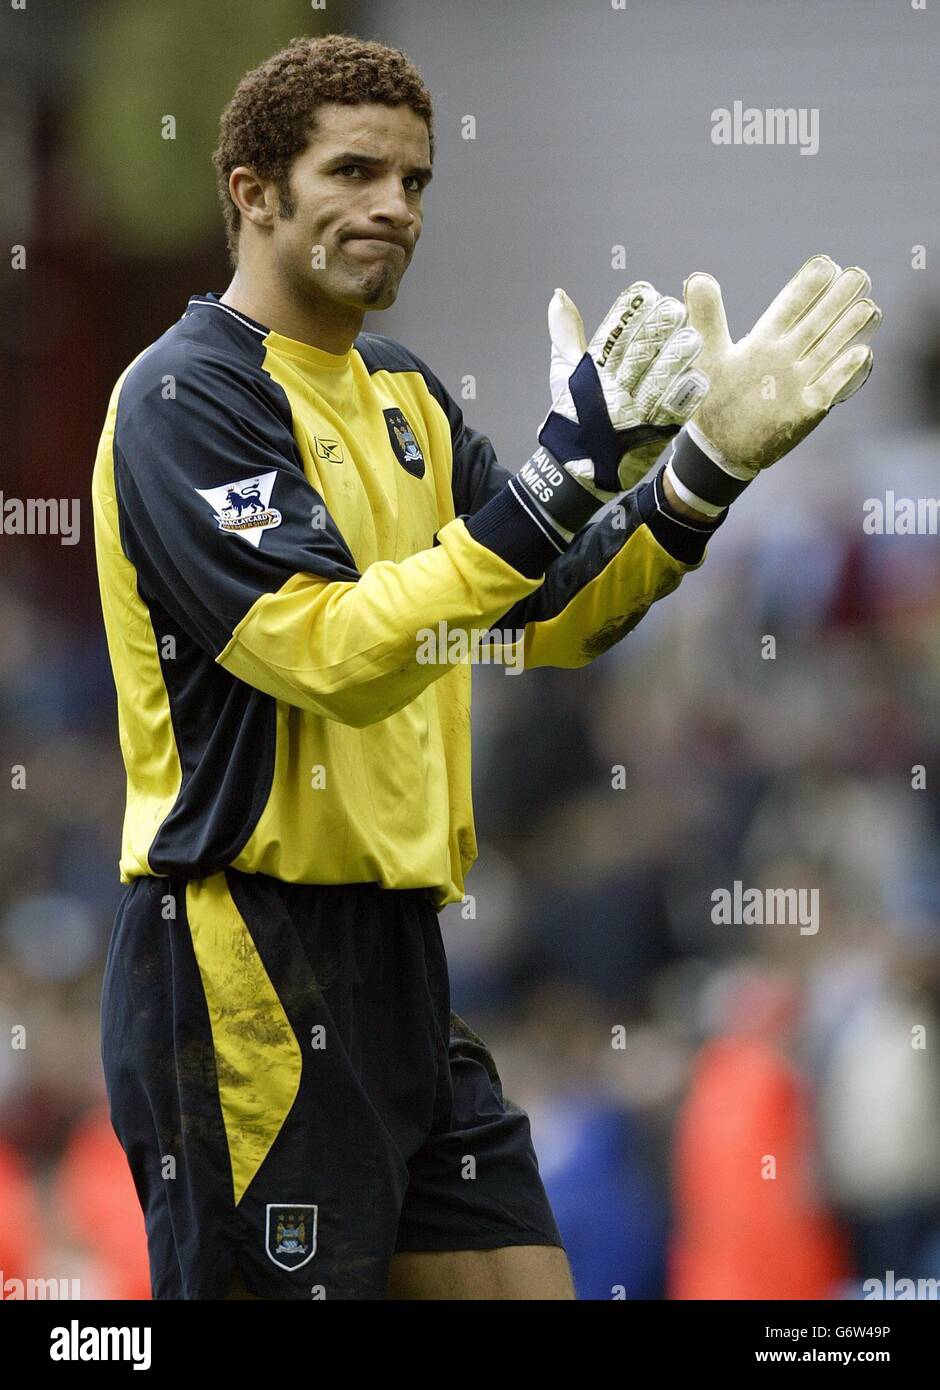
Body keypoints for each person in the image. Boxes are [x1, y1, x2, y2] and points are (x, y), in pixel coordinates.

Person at [91, 32, 880, 1300]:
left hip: (400, 954)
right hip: (242, 954)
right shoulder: (184, 397)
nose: (393, 208)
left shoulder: (402, 390)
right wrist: (562, 468)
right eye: (353, 172)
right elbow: (333, 651)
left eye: (414, 180)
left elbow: (548, 612)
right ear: (250, 190)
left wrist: (702, 468)